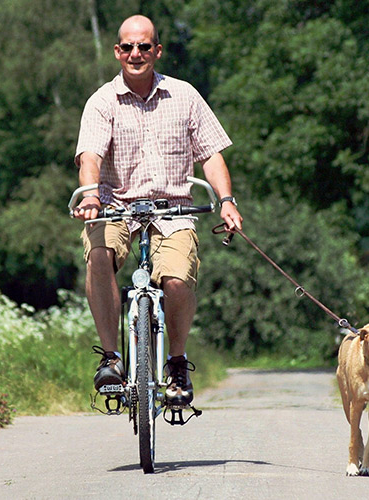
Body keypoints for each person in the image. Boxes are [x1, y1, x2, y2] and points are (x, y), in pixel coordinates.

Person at [73, 14, 243, 406]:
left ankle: (177, 363)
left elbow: (211, 156)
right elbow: (90, 157)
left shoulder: (185, 95)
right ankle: (111, 359)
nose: (136, 53)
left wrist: (227, 202)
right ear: (117, 52)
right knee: (99, 254)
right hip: (114, 206)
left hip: (173, 209)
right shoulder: (102, 102)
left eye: (144, 46)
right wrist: (90, 197)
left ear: (157, 51)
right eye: (128, 47)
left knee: (178, 279)